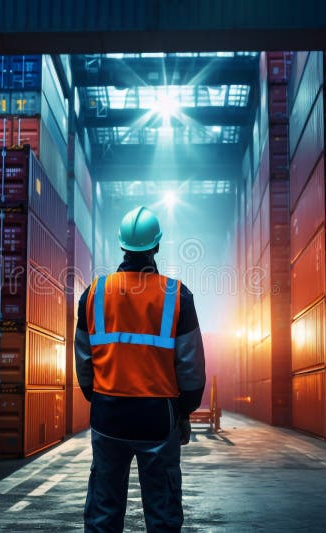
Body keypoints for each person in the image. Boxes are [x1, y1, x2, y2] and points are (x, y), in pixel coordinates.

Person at [75, 206, 206, 532]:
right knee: (162, 516)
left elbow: (83, 359)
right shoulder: (177, 296)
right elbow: (191, 368)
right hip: (158, 418)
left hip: (108, 415)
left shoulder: (93, 293)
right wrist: (183, 411)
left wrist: (98, 396)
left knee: (103, 513)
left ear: (122, 245)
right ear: (156, 245)